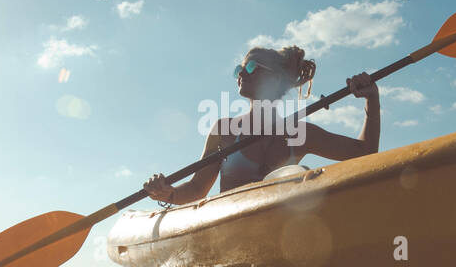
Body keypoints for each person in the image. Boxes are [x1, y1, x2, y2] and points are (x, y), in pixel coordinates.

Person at [142, 45, 380, 205]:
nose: (241, 74)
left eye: (251, 68)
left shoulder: (300, 133)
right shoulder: (224, 130)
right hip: (229, 232)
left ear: (275, 78)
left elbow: (365, 154)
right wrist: (168, 193)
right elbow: (197, 189)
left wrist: (372, 99)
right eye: (239, 69)